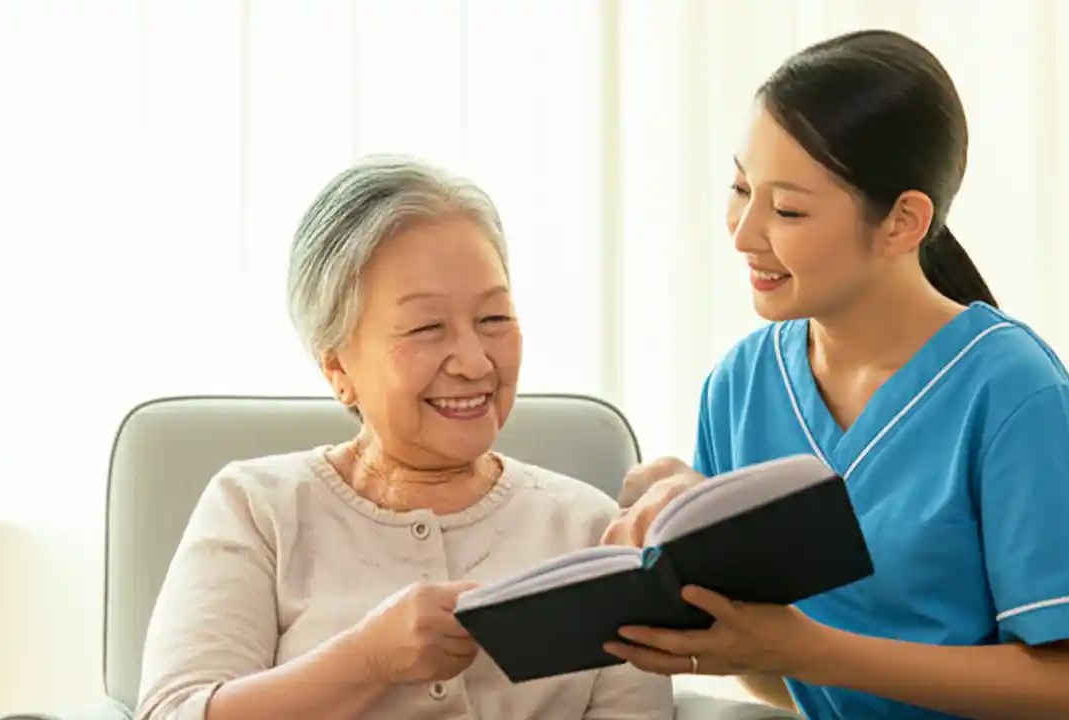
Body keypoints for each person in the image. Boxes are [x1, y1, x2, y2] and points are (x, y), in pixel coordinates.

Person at [600, 29, 1069, 720]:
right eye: (741, 187)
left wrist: (804, 649)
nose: (744, 233)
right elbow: (776, 665)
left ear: (902, 222)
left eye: (787, 209)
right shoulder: (740, 388)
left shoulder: (1018, 398)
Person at [134, 156, 672, 719]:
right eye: (426, 328)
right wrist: (366, 662)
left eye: (493, 319)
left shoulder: (590, 528)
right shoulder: (257, 508)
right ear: (338, 368)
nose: (473, 361)